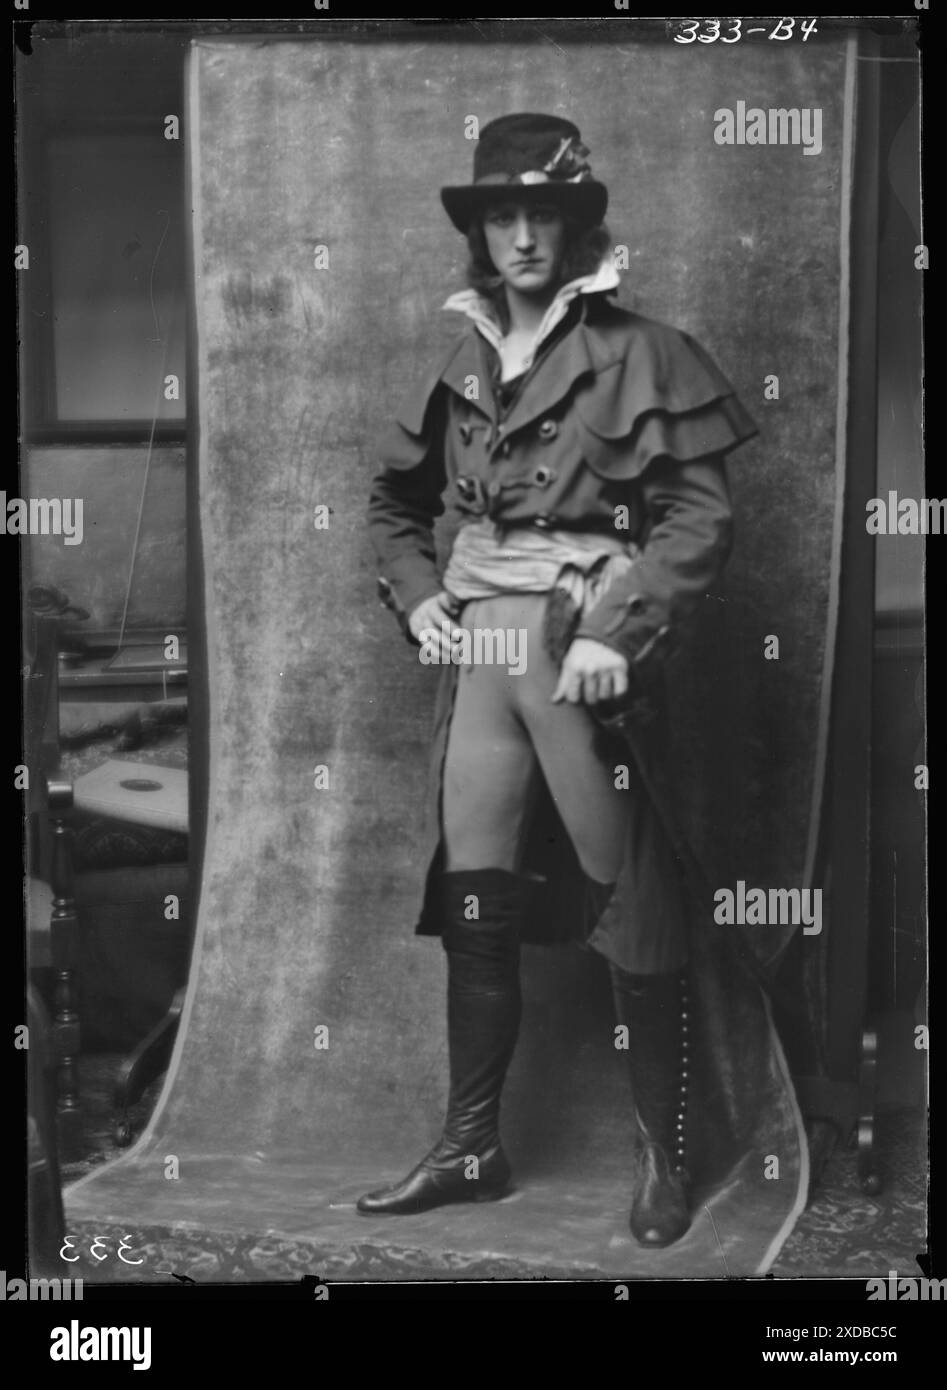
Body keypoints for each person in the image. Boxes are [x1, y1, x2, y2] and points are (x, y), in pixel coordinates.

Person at [361, 113, 757, 1247]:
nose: (523, 236)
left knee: (629, 896)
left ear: (576, 227)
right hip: (480, 656)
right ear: (480, 233)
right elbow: (393, 506)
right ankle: (470, 1147)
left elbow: (696, 521)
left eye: (543, 214)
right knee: (475, 893)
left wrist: (615, 634)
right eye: (503, 216)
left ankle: (665, 1156)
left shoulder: (646, 351)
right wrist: (417, 595)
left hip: (575, 649)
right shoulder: (460, 358)